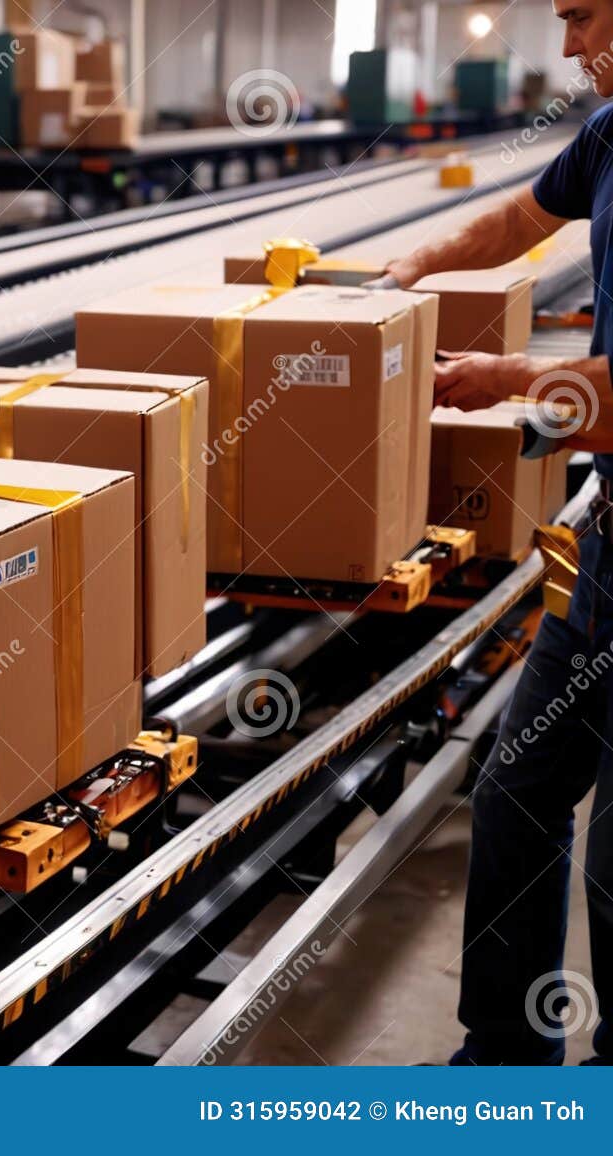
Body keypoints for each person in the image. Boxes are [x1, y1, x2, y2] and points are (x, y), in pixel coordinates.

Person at [366, 0, 613, 1065]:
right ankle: (505, 1054)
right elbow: (517, 219)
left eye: (584, 17)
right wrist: (413, 266)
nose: (566, 47)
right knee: (517, 780)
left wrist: (503, 381)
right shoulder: (610, 131)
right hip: (610, 538)